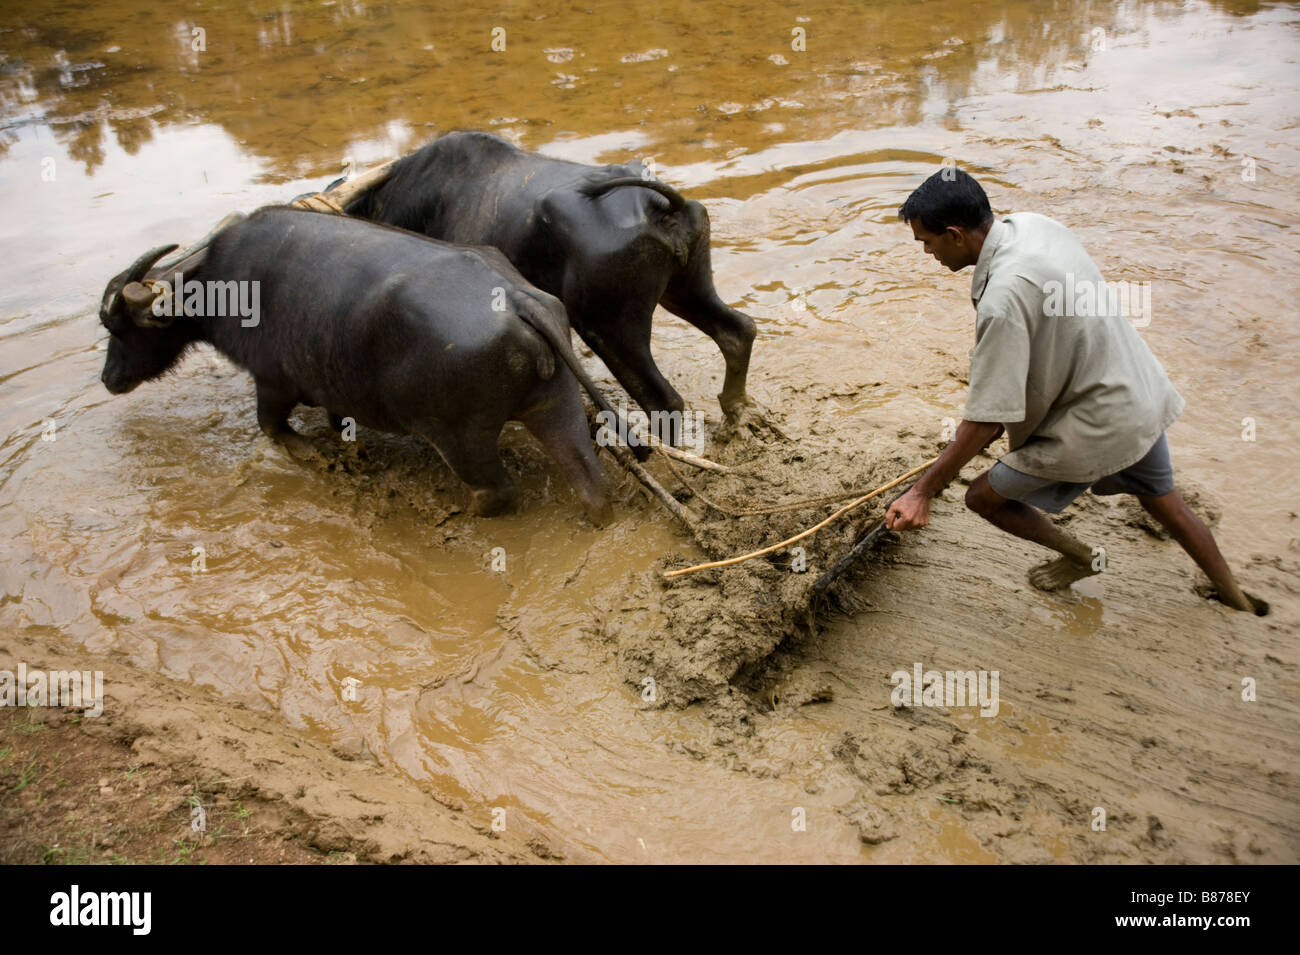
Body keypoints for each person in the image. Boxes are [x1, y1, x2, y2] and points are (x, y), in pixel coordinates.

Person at [884, 168, 1259, 613]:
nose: (927, 252)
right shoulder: (1033, 225)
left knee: (982, 496)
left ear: (955, 234)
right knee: (1168, 504)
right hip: (1135, 390)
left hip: (1097, 421)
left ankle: (1080, 557)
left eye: (927, 242)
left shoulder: (1003, 297)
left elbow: (986, 420)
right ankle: (1236, 597)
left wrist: (923, 491)